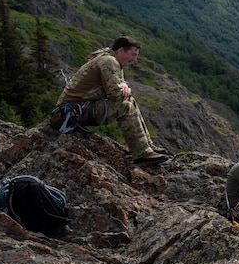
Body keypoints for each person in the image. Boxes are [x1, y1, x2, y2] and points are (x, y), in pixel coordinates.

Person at [52, 35, 167, 166]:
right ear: (121, 50)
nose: (135, 59)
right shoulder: (109, 61)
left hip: (75, 110)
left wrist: (124, 85)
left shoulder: (110, 59)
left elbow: (118, 82)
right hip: (70, 113)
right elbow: (116, 95)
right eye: (133, 54)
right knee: (125, 107)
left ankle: (147, 146)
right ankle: (141, 154)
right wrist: (125, 88)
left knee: (130, 100)